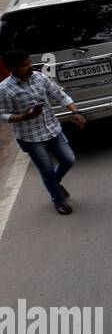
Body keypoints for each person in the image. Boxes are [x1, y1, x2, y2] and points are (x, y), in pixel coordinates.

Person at [0, 50, 86, 215]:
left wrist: (76, 112)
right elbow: (2, 115)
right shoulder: (4, 89)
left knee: (69, 160)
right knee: (46, 170)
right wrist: (24, 116)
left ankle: (55, 183)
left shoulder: (40, 77)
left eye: (29, 62)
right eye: (25, 65)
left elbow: (59, 95)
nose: (30, 66)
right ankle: (58, 200)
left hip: (53, 129)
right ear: (13, 68)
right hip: (30, 137)